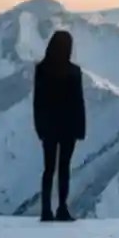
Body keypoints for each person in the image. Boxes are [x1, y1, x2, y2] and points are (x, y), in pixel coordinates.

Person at [33, 30, 85, 222]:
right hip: (68, 127)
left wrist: (39, 126)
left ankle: (46, 210)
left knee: (49, 169)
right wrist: (80, 128)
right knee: (64, 169)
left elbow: (38, 101)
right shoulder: (74, 71)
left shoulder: (42, 69)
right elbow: (78, 103)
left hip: (49, 127)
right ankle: (62, 208)